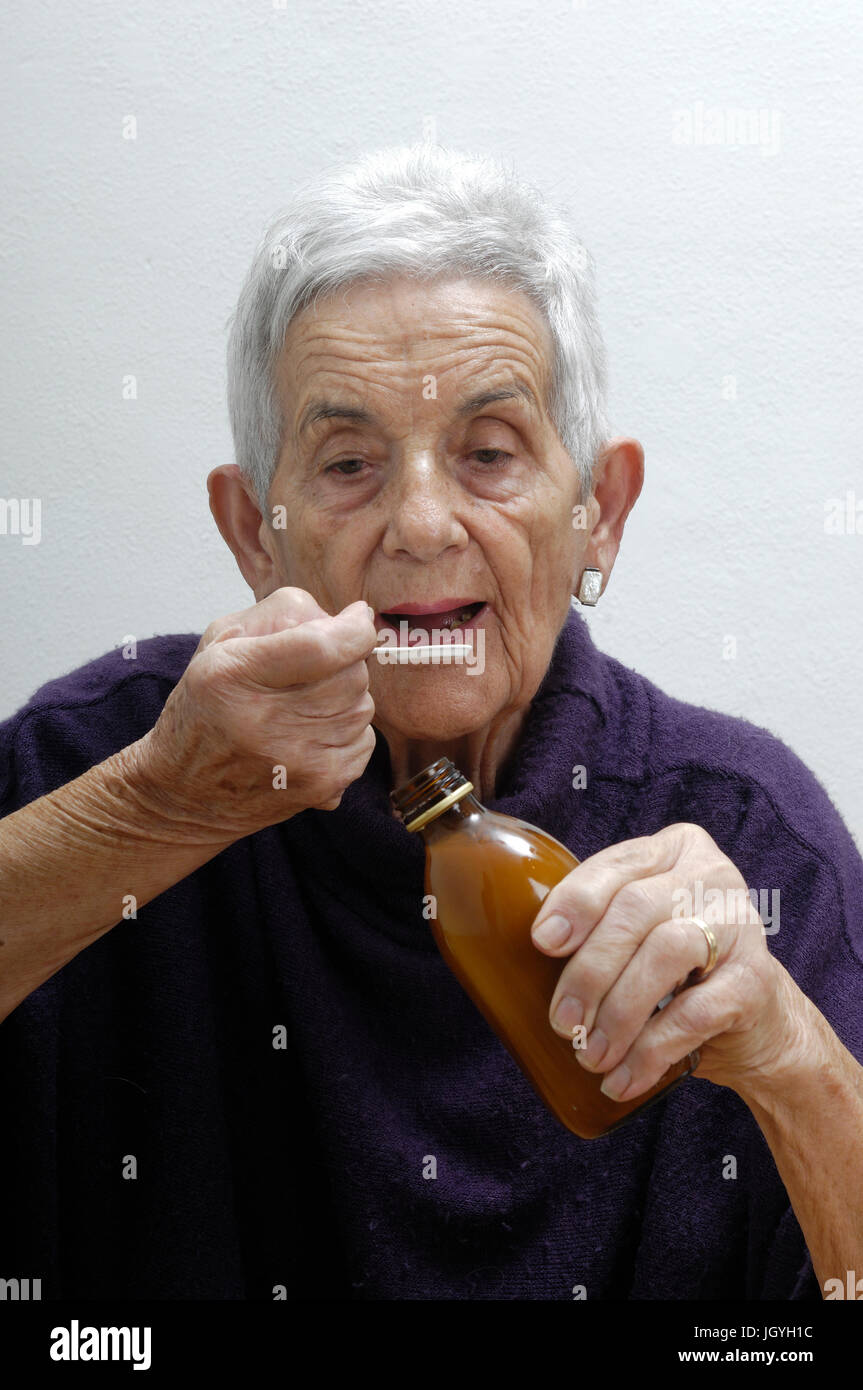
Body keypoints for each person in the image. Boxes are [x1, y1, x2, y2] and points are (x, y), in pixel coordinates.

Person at [1, 144, 861, 1301]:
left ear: (596, 515)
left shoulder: (748, 838)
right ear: (257, 536)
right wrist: (153, 811)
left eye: (488, 454)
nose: (418, 524)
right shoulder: (94, 761)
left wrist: (784, 1053)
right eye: (348, 460)